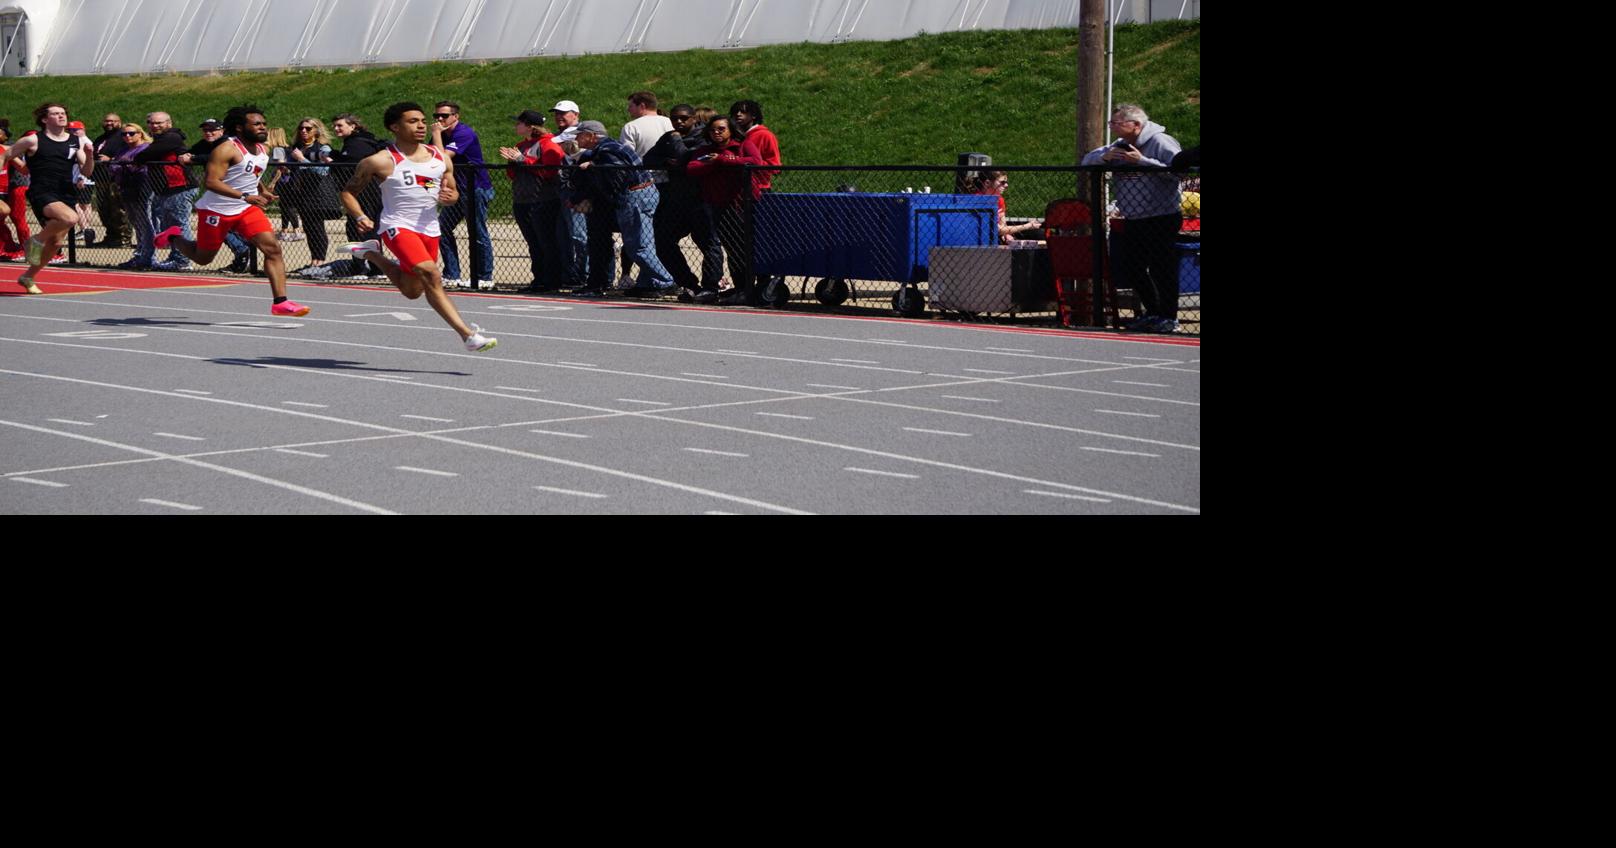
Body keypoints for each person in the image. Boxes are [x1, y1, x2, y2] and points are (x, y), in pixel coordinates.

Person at [335, 101, 497, 352]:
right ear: (394, 127)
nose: (421, 125)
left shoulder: (440, 158)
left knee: (412, 291)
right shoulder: (379, 162)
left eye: (422, 121)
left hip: (429, 229)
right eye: (413, 121)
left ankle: (369, 253)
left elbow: (451, 193)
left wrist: (449, 197)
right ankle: (468, 335)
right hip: (397, 226)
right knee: (432, 274)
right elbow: (348, 193)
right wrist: (359, 217)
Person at [155, 105, 309, 318]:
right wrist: (245, 196)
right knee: (203, 258)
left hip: (246, 209)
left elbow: (251, 176)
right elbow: (211, 182)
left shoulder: (263, 149)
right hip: (216, 210)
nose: (263, 127)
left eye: (264, 123)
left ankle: (280, 302)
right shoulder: (226, 149)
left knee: (273, 249)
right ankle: (173, 237)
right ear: (239, 128)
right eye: (256, 124)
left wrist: (263, 191)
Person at [1081, 103, 1183, 333]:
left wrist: (1143, 162)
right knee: (1133, 269)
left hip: (1161, 216)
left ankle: (1169, 316)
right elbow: (1086, 161)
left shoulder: (1160, 142)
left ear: (1135, 125)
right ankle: (1153, 312)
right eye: (1112, 123)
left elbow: (1180, 171)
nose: (1113, 127)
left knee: (1161, 269)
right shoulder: (1120, 145)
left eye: (1117, 123)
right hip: (1133, 218)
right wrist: (1104, 158)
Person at [573, 119, 675, 297]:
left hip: (634, 196)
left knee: (638, 246)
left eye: (580, 135)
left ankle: (665, 281)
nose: (577, 138)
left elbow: (619, 172)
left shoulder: (606, 150)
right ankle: (647, 283)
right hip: (644, 193)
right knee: (644, 244)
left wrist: (593, 166)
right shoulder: (608, 147)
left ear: (591, 136)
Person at [2, 103, 90, 294]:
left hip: (66, 192)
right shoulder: (33, 140)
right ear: (44, 119)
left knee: (56, 243)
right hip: (42, 191)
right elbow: (7, 154)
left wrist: (90, 156)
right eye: (56, 114)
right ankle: (34, 241)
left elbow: (86, 170)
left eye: (63, 113)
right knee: (70, 218)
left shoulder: (76, 141)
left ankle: (28, 276)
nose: (61, 116)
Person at [686, 116, 764, 305]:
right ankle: (731, 288)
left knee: (743, 248)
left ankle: (749, 289)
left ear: (730, 130)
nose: (717, 133)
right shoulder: (705, 151)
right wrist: (714, 162)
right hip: (716, 206)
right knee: (727, 248)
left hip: (741, 205)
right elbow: (692, 167)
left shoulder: (743, 146)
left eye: (721, 129)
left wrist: (722, 160)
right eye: (713, 130)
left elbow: (755, 162)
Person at [497, 109, 565, 293]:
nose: (516, 126)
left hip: (543, 199)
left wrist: (523, 160)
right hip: (523, 199)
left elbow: (549, 171)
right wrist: (514, 162)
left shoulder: (548, 144)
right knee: (533, 242)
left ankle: (551, 280)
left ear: (530, 126)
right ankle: (539, 278)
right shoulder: (520, 145)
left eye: (519, 123)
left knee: (546, 241)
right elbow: (513, 175)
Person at [432, 100, 494, 291]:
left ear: (455, 117)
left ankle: (484, 277)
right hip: (454, 190)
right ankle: (452, 273)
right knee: (442, 228)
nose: (440, 120)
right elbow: (429, 158)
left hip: (474, 188)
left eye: (445, 116)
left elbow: (442, 157)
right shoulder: (440, 135)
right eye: (437, 116)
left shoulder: (464, 133)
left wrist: (435, 134)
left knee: (476, 231)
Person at [177, 118, 254, 272]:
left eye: (212, 130)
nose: (208, 133)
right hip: (218, 190)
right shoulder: (206, 143)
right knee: (220, 224)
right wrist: (184, 156)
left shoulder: (227, 143)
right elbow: (189, 151)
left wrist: (193, 158)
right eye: (205, 130)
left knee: (222, 224)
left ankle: (243, 251)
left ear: (222, 130)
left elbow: (215, 157)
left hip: (231, 189)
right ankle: (242, 253)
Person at [641, 110, 702, 296]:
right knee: (663, 240)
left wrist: (676, 141)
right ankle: (688, 282)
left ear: (694, 119)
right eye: (675, 118)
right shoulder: (667, 137)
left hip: (700, 199)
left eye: (684, 118)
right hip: (675, 199)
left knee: (708, 243)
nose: (679, 122)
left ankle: (712, 286)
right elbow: (648, 159)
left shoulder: (703, 136)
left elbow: (684, 158)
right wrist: (665, 161)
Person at [727, 100, 781, 303]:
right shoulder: (737, 137)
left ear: (754, 116)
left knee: (757, 239)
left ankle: (763, 281)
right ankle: (744, 284)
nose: (739, 115)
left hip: (760, 192)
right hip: (738, 194)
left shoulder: (764, 135)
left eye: (744, 112)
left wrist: (749, 163)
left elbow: (775, 165)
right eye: (736, 112)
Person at [132, 111, 196, 271]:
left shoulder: (172, 137)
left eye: (159, 123)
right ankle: (176, 257)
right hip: (166, 189)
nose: (155, 126)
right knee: (170, 225)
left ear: (169, 123)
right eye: (152, 123)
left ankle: (183, 260)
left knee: (178, 223)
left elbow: (146, 154)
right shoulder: (159, 140)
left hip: (180, 187)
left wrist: (139, 158)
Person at [329, 113, 386, 279]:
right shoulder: (356, 143)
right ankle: (369, 266)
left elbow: (351, 167)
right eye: (335, 126)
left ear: (353, 126)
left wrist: (334, 161)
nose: (336, 129)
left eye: (340, 125)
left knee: (363, 228)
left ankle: (366, 267)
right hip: (369, 191)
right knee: (364, 228)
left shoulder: (357, 144)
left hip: (366, 191)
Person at [285, 117, 340, 277]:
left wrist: (302, 160)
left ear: (316, 130)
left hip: (317, 193)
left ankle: (319, 262)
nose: (303, 131)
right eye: (301, 128)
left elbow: (323, 171)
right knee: (308, 228)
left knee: (317, 227)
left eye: (308, 129)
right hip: (301, 193)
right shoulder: (296, 148)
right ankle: (313, 261)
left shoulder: (323, 149)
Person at [110, 123, 156, 269]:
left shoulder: (146, 147)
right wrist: (125, 166)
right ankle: (139, 254)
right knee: (135, 221)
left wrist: (125, 166)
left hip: (143, 187)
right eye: (124, 134)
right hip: (126, 187)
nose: (127, 136)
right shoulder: (124, 149)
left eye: (131, 133)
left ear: (140, 133)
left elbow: (143, 168)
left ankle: (148, 256)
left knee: (145, 221)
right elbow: (114, 167)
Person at [971, 169, 1043, 244]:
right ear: (987, 183)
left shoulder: (999, 199)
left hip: (997, 232)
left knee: (1038, 233)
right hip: (983, 235)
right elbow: (997, 230)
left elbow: (1003, 224)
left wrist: (1006, 234)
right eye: (1002, 182)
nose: (1006, 185)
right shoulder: (978, 200)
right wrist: (1027, 226)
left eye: (1006, 182)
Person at [91, 113, 129, 248]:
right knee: (103, 209)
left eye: (113, 121)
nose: (109, 123)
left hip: (115, 178)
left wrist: (111, 160)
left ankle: (123, 238)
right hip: (100, 178)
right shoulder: (101, 138)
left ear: (119, 122)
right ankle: (111, 236)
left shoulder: (123, 136)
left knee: (118, 210)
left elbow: (128, 155)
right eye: (107, 121)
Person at [265, 126, 302, 242]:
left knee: (287, 207)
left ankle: (297, 231)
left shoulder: (277, 149)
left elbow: (280, 168)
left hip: (284, 182)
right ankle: (284, 231)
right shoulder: (288, 148)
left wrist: (272, 183)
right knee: (285, 206)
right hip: (291, 181)